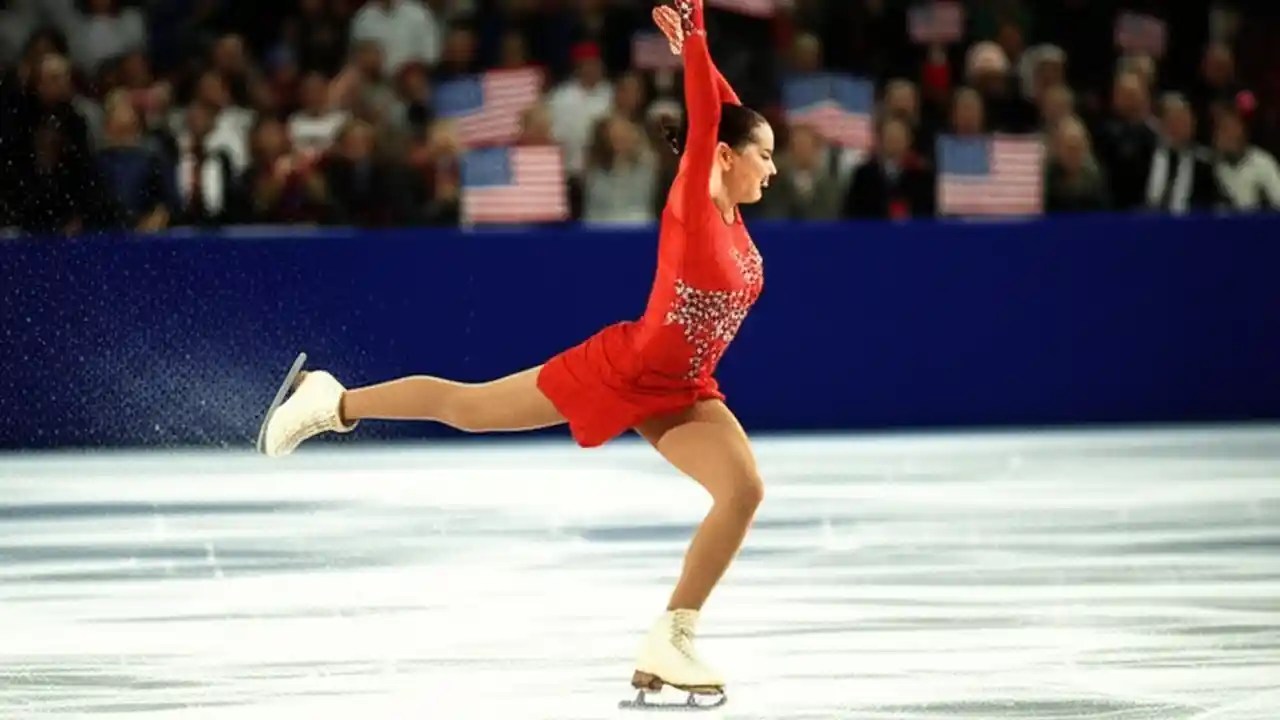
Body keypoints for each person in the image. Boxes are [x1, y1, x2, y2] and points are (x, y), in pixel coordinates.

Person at [257, 0, 776, 706]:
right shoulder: (692, 203)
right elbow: (710, 117)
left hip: (684, 387)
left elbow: (725, 109)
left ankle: (673, 635)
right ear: (722, 156)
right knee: (470, 407)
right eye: (765, 155)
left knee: (742, 492)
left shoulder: (732, 207)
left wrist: (697, 48)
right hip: (622, 368)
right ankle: (333, 401)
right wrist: (699, 33)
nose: (772, 169)